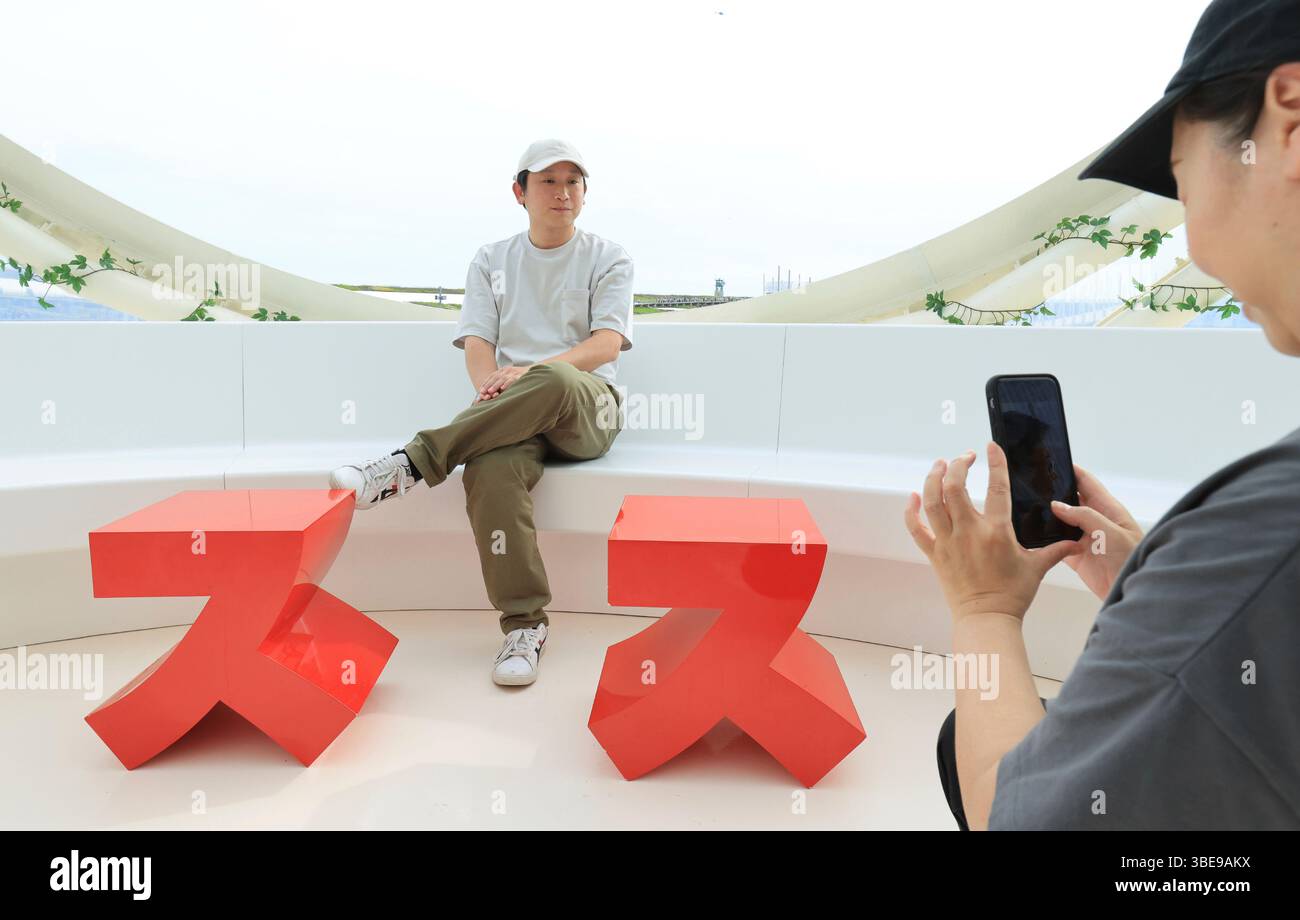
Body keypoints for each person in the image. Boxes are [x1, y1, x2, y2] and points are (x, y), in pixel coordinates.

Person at [905, 0, 1300, 829]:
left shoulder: (1265, 536)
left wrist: (983, 610)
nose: (1191, 240)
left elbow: (1024, 821)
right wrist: (1159, 594)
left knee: (969, 743)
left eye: (1181, 179)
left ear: (1288, 122)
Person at [331, 138, 634, 687]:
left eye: (573, 182)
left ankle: (408, 465)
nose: (562, 192)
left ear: (585, 195)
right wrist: (495, 393)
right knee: (490, 471)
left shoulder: (608, 257)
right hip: (516, 414)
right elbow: (478, 346)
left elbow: (606, 346)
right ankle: (524, 627)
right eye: (548, 181)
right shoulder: (491, 260)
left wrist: (529, 373)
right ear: (520, 193)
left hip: (588, 409)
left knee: (557, 375)